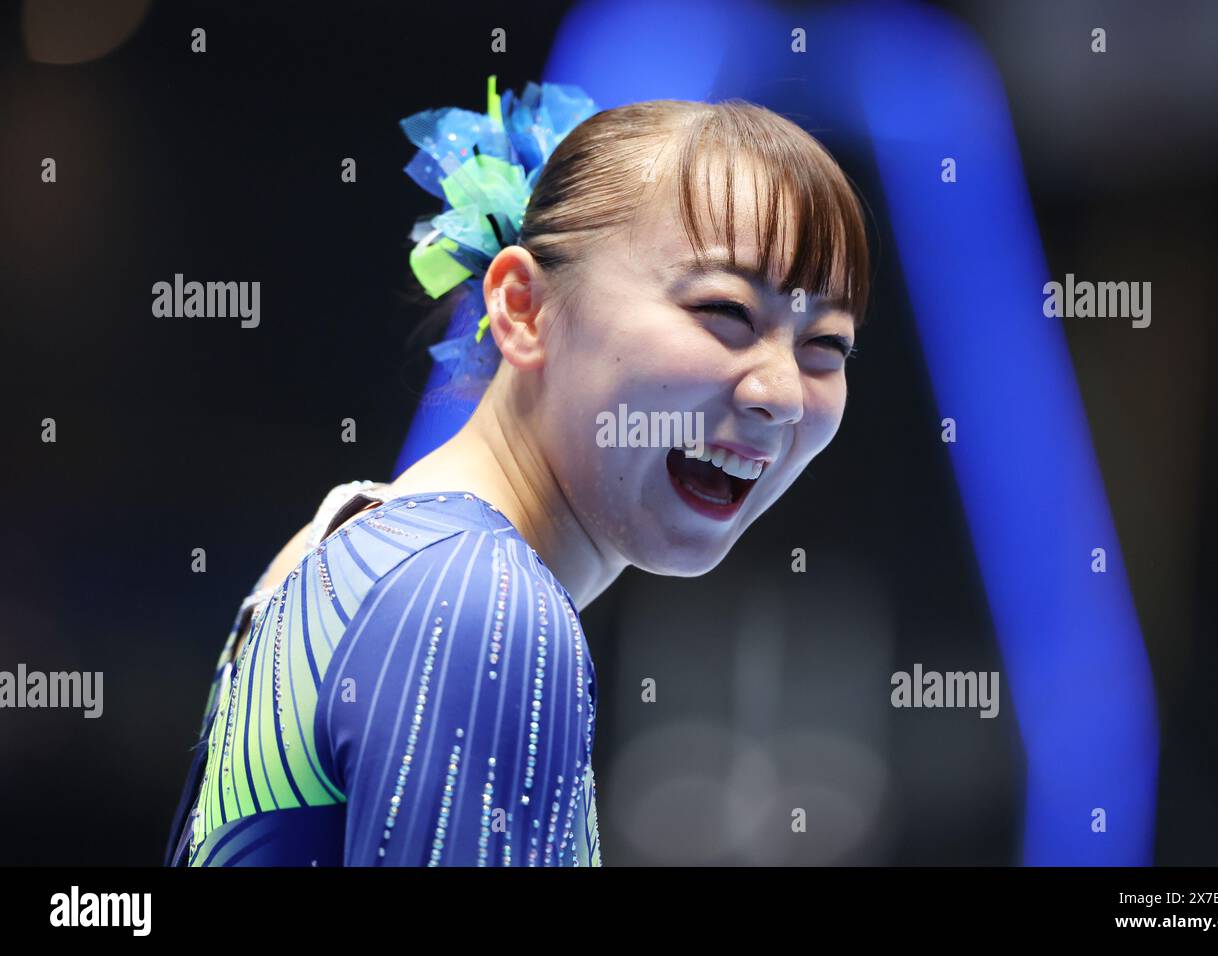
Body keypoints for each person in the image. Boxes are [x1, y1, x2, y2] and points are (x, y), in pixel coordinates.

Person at [163, 76, 871, 867]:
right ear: (523, 307)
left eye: (826, 348)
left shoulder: (348, 535)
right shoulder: (481, 606)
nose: (778, 393)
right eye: (726, 312)